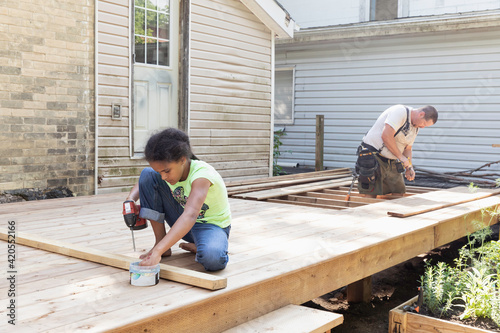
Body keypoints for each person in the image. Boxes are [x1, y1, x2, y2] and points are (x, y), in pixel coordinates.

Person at [125, 128, 231, 271]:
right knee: (147, 174)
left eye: (166, 171)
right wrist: (130, 199)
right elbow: (146, 179)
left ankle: (200, 246)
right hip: (183, 222)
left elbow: (191, 215)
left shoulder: (202, 175)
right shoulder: (169, 171)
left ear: (182, 160)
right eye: (159, 172)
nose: (163, 177)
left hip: (210, 226)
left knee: (212, 259)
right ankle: (161, 244)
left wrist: (157, 253)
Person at [356, 104, 438, 198]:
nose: (423, 127)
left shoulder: (415, 128)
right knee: (371, 192)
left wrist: (409, 167)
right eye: (424, 124)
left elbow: (408, 149)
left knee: (398, 191)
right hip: (374, 156)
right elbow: (386, 136)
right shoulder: (400, 112)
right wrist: (401, 158)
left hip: (392, 159)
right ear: (421, 114)